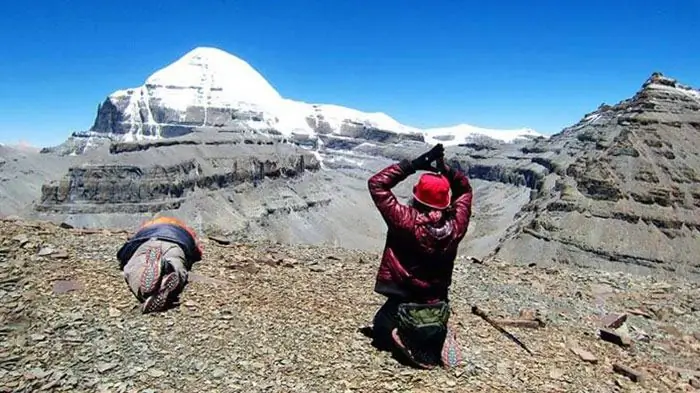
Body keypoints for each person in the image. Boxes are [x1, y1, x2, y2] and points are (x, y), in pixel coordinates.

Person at [367, 143, 473, 369]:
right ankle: (438, 334)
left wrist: (413, 165)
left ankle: (406, 337)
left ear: (416, 197)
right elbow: (464, 191)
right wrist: (447, 171)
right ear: (446, 202)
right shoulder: (456, 226)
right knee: (431, 317)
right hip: (438, 299)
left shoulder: (405, 221)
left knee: (379, 329)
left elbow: (377, 184)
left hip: (404, 299)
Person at [116, 216, 203, 314]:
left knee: (136, 266)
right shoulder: (186, 230)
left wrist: (124, 257)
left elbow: (123, 252)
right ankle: (168, 268)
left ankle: (145, 291)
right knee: (177, 263)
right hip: (176, 243)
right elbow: (197, 252)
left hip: (147, 242)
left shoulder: (146, 228)